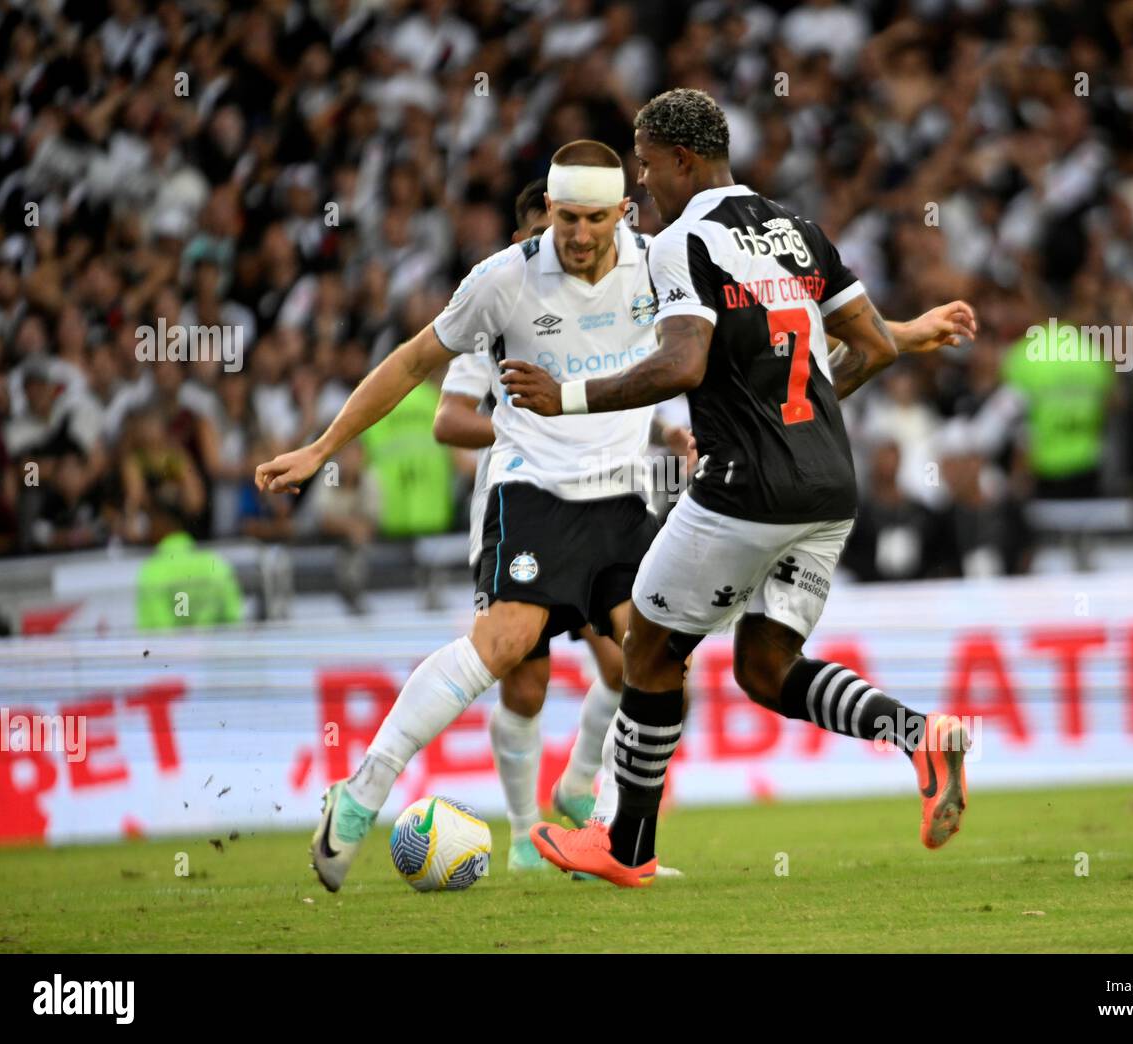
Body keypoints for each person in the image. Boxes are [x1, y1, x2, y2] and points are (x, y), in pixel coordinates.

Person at [501, 89, 978, 887]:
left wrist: (568, 395)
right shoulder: (798, 228)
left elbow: (683, 363)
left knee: (648, 649)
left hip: (744, 490)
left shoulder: (677, 242)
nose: (643, 184)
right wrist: (880, 359)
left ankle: (626, 847)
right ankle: (920, 734)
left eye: (647, 166)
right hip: (828, 487)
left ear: (682, 159)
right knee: (765, 669)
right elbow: (870, 348)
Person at [256, 139, 670, 893]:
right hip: (535, 487)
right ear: (546, 207)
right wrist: (322, 448)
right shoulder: (502, 280)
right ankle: (364, 790)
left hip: (621, 494)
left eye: (594, 219)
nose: (578, 235)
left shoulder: (659, 264)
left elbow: (701, 349)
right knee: (508, 646)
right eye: (565, 217)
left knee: (655, 657)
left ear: (622, 212)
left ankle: (603, 823)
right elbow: (413, 364)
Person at [433, 178, 689, 870]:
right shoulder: (493, 310)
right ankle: (521, 834)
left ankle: (580, 790)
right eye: (537, 236)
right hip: (524, 509)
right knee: (524, 679)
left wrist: (667, 431)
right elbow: (447, 419)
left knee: (628, 662)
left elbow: (622, 388)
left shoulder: (609, 298)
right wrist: (527, 428)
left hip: (604, 507)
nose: (551, 247)